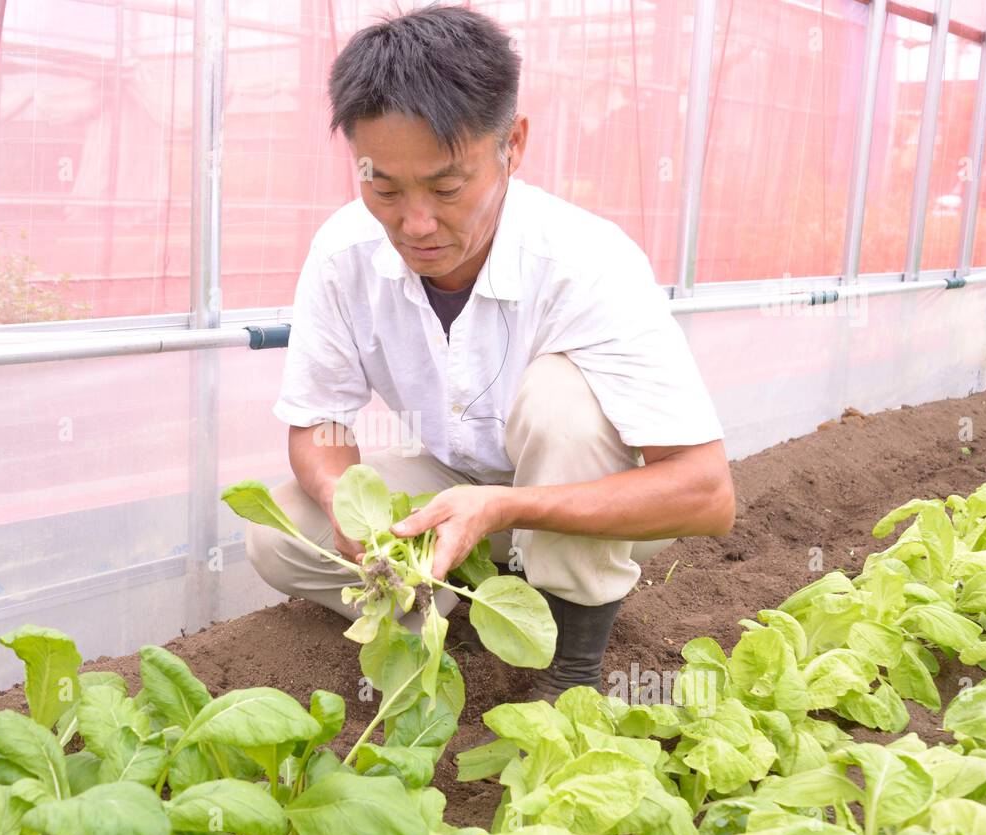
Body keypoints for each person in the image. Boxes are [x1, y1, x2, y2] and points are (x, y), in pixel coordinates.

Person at [245, 3, 735, 703]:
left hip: (580, 497)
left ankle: (570, 661)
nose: (414, 224)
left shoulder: (584, 261)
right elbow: (317, 425)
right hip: (454, 483)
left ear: (514, 144)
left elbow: (707, 493)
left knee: (561, 403)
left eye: (447, 186)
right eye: (383, 186)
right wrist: (346, 506)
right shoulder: (342, 253)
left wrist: (504, 506)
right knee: (279, 530)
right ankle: (447, 600)